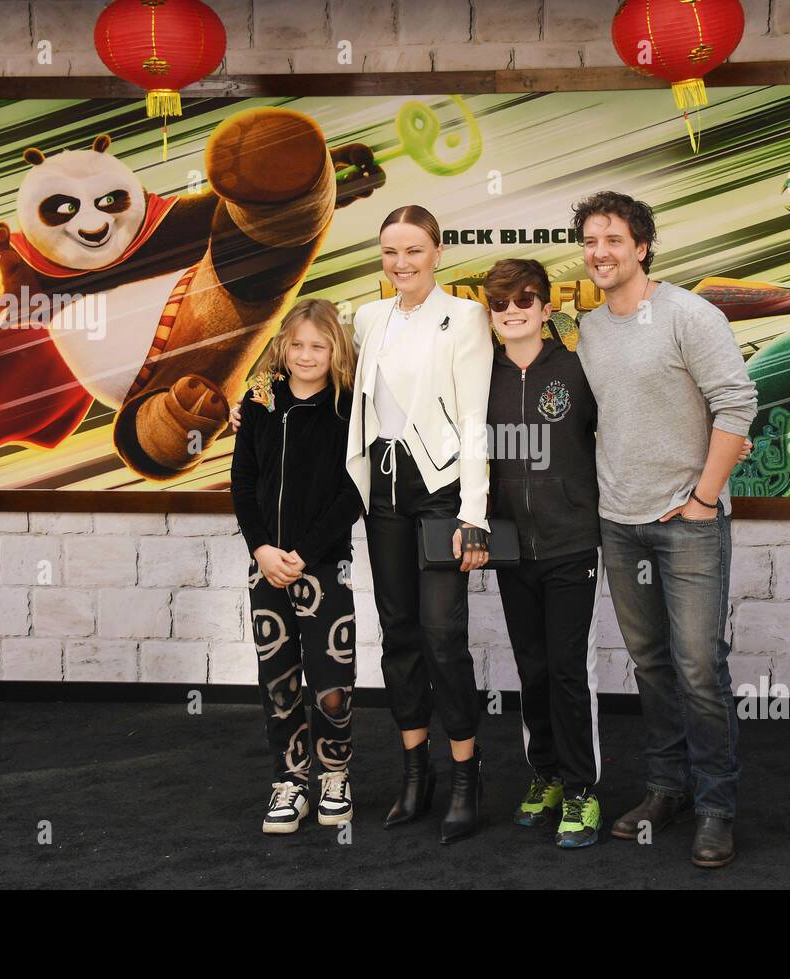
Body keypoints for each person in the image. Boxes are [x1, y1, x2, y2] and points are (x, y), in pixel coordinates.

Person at [572, 190, 758, 868]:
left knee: (699, 667)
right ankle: (665, 788)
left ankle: (715, 805)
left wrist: (704, 499)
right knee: (651, 666)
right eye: (591, 240)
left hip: (687, 523)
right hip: (619, 525)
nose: (600, 251)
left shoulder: (688, 315)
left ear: (642, 246)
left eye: (614, 239)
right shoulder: (589, 329)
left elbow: (738, 402)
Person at [345, 205, 494, 844]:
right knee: (398, 630)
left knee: (441, 633)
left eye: (413, 250)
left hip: (439, 489)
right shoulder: (367, 317)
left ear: (437, 252)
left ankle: (466, 774)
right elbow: (333, 389)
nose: (400, 263)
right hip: (382, 488)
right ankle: (416, 772)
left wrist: (474, 515)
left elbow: (473, 420)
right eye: (389, 252)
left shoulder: (463, 317)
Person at [230, 298, 364, 835]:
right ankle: (291, 781)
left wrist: (305, 553)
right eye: (298, 344)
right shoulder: (260, 401)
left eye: (319, 346)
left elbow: (352, 492)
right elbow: (243, 483)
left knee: (333, 681)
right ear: (282, 346)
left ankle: (335, 775)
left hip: (325, 566)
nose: (307, 355)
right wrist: (262, 550)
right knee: (279, 682)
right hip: (266, 568)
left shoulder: (349, 407)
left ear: (336, 350)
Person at [483, 258, 605, 848]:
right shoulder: (481, 376)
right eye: (501, 303)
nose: (513, 311)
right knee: (531, 668)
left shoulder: (579, 370)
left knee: (566, 670)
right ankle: (547, 776)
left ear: (546, 307)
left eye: (524, 301)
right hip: (510, 546)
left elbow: (616, 437)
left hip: (571, 542)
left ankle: (583, 789)